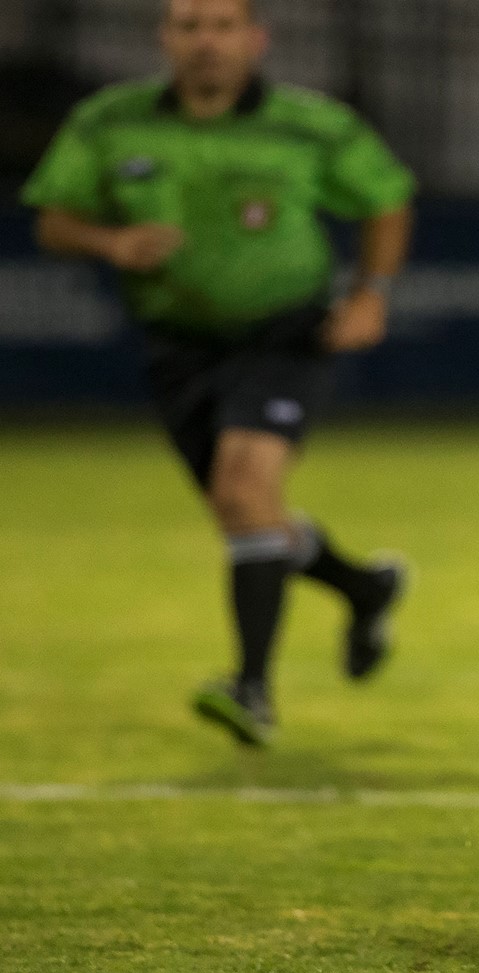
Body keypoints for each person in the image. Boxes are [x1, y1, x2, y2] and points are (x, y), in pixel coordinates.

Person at [21, 0, 413, 746]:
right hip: (178, 349)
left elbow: (387, 195)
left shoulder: (309, 123)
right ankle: (366, 589)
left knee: (243, 491)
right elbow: (51, 218)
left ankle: (251, 690)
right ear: (165, 38)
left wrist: (372, 293)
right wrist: (111, 241)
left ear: (255, 38)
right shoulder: (111, 120)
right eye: (190, 25)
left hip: (285, 336)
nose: (207, 41)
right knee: (248, 510)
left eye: (223, 25)